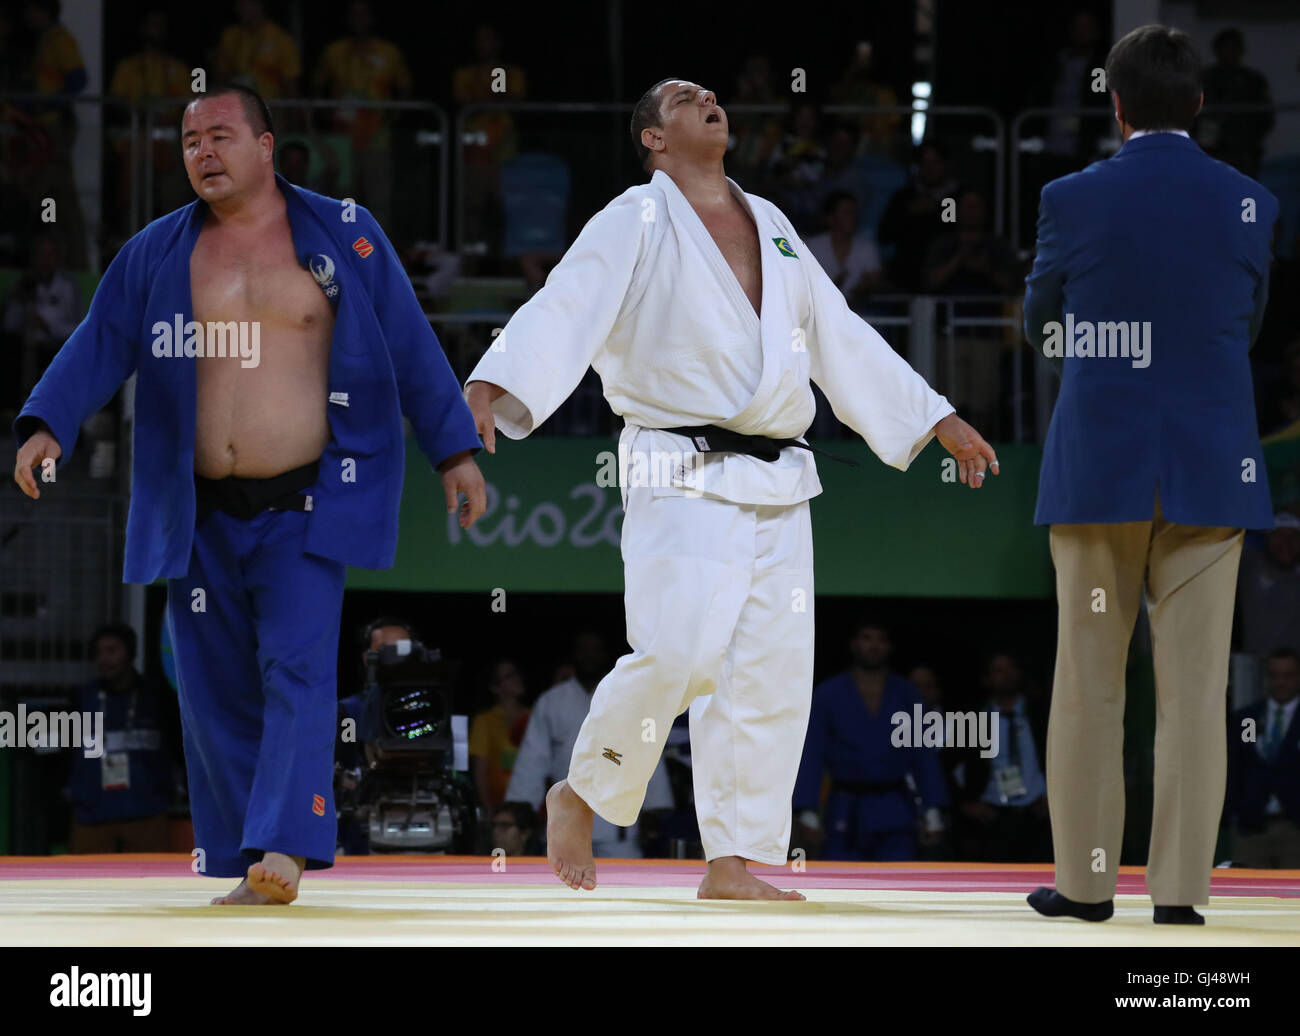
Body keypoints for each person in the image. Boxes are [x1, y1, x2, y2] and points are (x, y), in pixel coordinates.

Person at [465, 78, 997, 900]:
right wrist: (492, 386)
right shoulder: (635, 218)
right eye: (683, 97)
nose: (707, 97)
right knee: (677, 651)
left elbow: (838, 336)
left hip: (781, 474)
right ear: (653, 137)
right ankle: (582, 790)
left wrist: (935, 419)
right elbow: (565, 305)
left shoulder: (775, 225)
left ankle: (731, 863)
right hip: (679, 465)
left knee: (767, 676)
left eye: (710, 93)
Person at [12, 83, 486, 905]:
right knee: (211, 689)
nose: (202, 151)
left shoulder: (344, 236)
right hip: (197, 511)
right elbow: (100, 342)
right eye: (190, 139)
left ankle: (289, 843)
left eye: (220, 135)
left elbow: (409, 340)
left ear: (265, 147)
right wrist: (46, 421)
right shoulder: (159, 251)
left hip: (305, 503)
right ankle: (239, 860)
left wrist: (454, 452)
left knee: (296, 672)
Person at [1023, 26, 1278, 925]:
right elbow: (1247, 327)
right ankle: (1180, 896)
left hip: (1103, 467)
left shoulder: (1070, 196)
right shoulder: (1250, 201)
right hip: (1212, 470)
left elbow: (1039, 325)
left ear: (1115, 103)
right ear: (1200, 105)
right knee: (1197, 692)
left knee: (1089, 683)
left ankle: (1088, 886)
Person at [504, 631, 674, 859]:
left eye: (594, 650)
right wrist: (521, 805)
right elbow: (534, 759)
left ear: (604, 654)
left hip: (617, 831)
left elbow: (646, 750)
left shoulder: (627, 696)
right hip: (566, 819)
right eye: (583, 650)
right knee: (563, 887)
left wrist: (655, 805)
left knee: (625, 885)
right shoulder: (553, 702)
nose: (588, 656)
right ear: (573, 655)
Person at [792, 620, 947, 861]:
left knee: (898, 887)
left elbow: (923, 756)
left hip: (895, 808)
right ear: (854, 644)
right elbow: (813, 753)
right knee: (840, 887)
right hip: (844, 808)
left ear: (889, 647)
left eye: (880, 639)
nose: (873, 645)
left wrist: (932, 809)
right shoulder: (829, 693)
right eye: (866, 638)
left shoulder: (906, 694)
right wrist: (807, 809)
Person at [66, 623, 180, 853]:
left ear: (130, 653)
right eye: (99, 652)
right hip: (92, 814)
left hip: (146, 812)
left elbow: (176, 746)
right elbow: (66, 749)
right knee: (84, 885)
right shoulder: (82, 697)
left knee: (151, 884)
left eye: (112, 650)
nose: (104, 659)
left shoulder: (157, 696)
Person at [948, 651, 1051, 863]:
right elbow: (946, 764)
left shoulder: (1042, 711)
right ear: (986, 678)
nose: (1006, 675)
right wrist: (965, 803)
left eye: (1011, 668)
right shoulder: (973, 718)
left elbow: (1068, 758)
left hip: (1039, 812)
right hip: (992, 816)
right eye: (998, 670)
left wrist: (1058, 798)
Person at [1226, 648, 1300, 868]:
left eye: (1288, 676)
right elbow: (1241, 763)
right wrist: (1236, 811)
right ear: (1267, 678)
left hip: (1295, 828)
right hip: (1253, 828)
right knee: (1247, 894)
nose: (1281, 682)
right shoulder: (1249, 719)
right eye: (1275, 676)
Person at [1198, 28, 1274, 179]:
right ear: (1216, 51)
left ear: (1241, 51)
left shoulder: (1253, 81)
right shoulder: (1205, 80)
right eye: (1225, 48)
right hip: (1212, 151)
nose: (1229, 53)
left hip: (1244, 152)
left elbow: (1266, 117)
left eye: (1233, 48)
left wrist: (1247, 137)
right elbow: (1192, 115)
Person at [469, 658, 530, 815]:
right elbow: (480, 770)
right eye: (510, 676)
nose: (518, 678)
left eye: (517, 673)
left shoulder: (534, 716)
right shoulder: (485, 721)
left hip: (532, 805)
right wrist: (488, 808)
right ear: (495, 688)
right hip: (500, 808)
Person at [805, 191, 881, 308]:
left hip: (859, 315)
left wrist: (867, 287)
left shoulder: (867, 248)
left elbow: (875, 283)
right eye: (846, 213)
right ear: (830, 218)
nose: (852, 217)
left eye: (854, 212)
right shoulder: (813, 246)